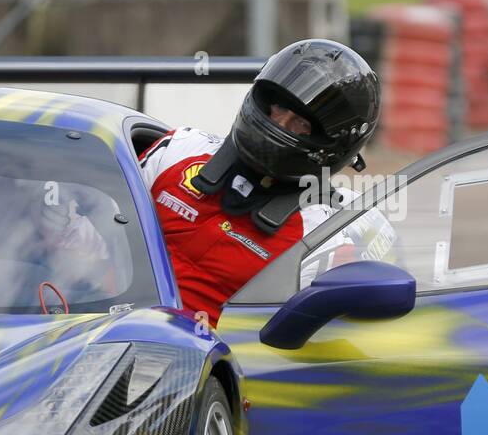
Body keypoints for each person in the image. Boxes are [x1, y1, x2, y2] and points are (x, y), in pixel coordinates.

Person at [139, 38, 381, 326]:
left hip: (209, 361)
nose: (280, 124)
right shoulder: (179, 150)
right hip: (101, 329)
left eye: (302, 123)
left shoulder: (327, 232)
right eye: (278, 107)